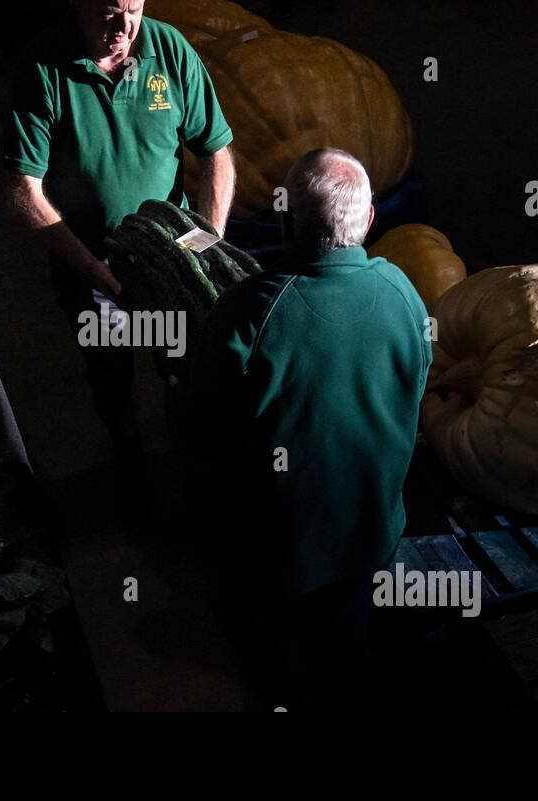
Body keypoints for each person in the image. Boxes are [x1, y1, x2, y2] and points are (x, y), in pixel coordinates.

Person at [185, 147, 431, 709]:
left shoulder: (248, 312)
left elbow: (204, 436)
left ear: (284, 221)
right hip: (372, 532)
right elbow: (412, 392)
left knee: (284, 662)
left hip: (278, 554)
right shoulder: (405, 295)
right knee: (347, 647)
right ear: (369, 221)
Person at [3, 0, 236, 473]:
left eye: (135, 11)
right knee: (110, 375)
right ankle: (128, 456)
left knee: (183, 366)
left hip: (171, 257)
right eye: (109, 12)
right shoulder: (43, 68)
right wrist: (94, 271)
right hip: (92, 268)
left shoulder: (169, 51)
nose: (124, 29)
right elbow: (23, 189)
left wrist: (207, 243)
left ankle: (191, 460)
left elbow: (216, 152)